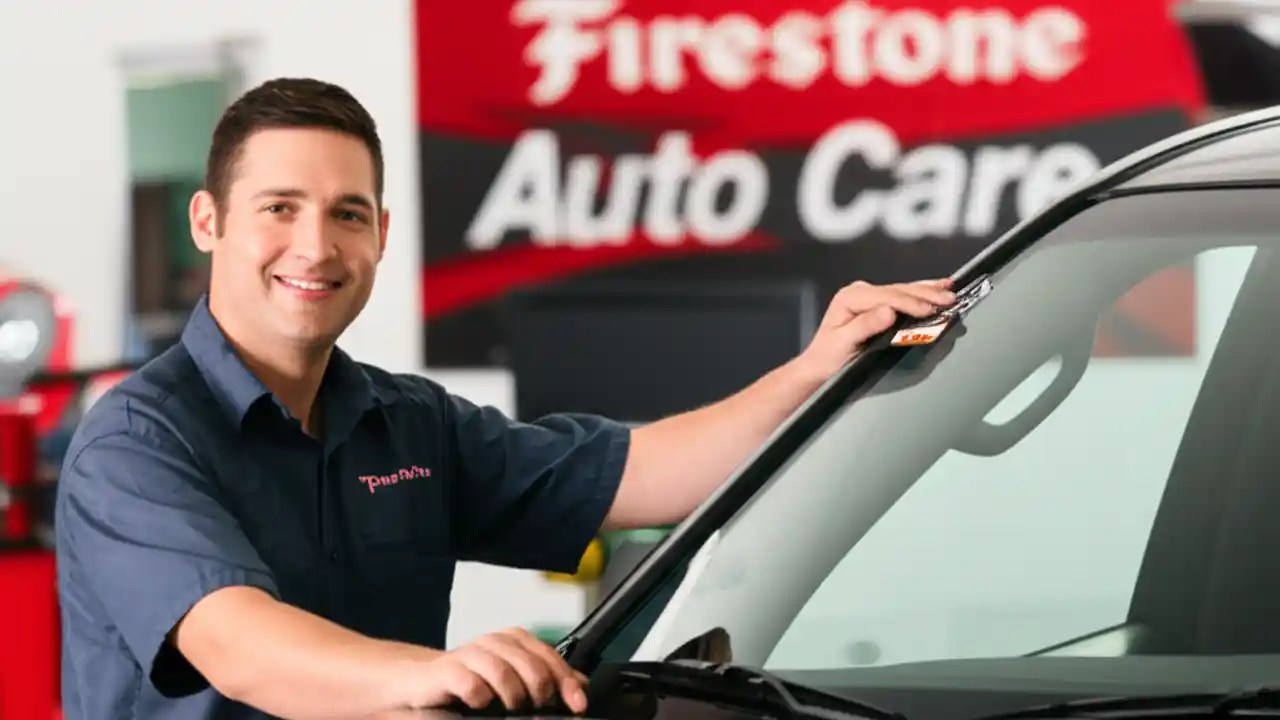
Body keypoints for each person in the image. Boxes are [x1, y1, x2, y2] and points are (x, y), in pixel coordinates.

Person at [53, 77, 956, 719]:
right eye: (279, 208)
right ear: (208, 222)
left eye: (348, 213)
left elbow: (641, 475)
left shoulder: (408, 422)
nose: (316, 246)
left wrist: (815, 371)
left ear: (381, 234)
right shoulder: (136, 443)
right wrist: (438, 674)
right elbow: (239, 647)